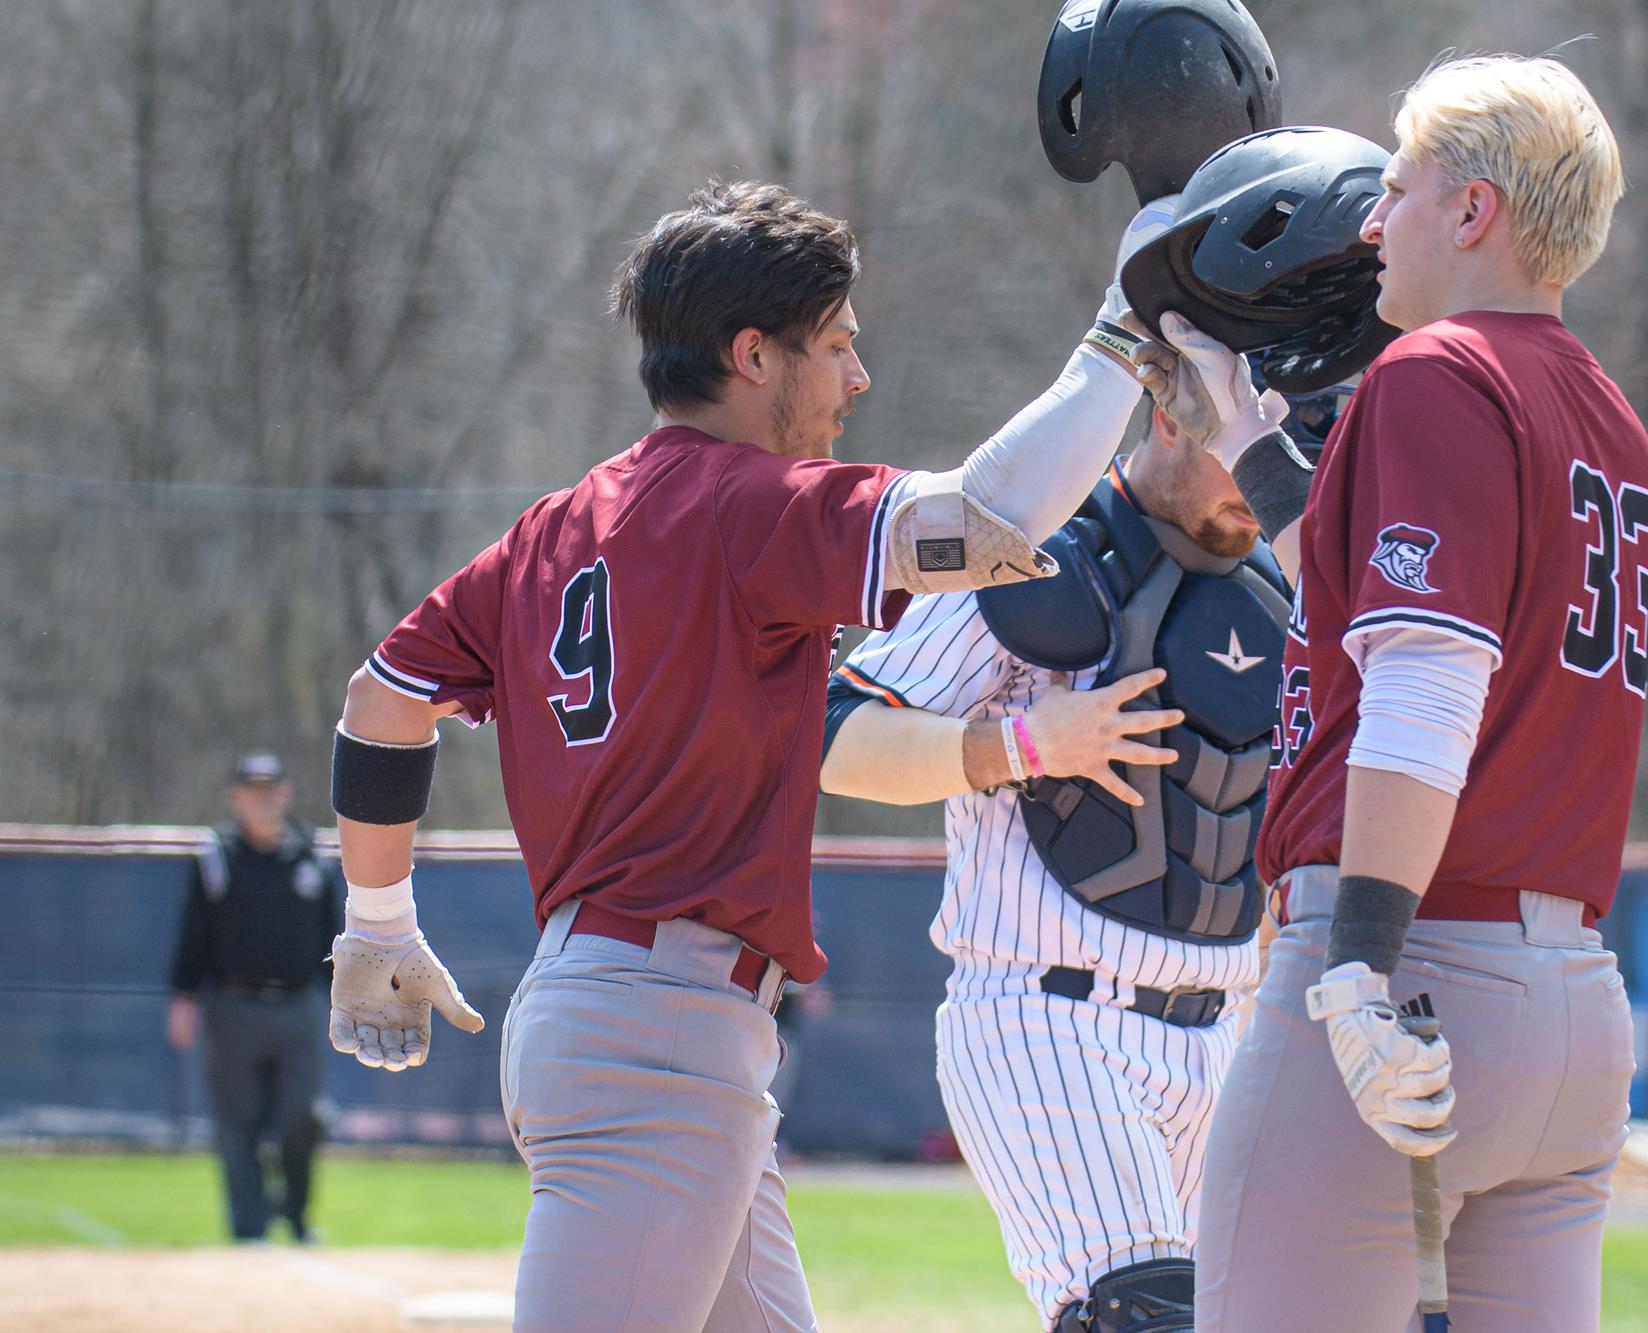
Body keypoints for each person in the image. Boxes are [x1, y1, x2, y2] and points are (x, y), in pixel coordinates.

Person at [321, 179, 1179, 1331]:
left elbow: (383, 699)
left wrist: (379, 921)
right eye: (834, 346)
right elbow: (991, 521)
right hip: (656, 1035)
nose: (856, 379)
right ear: (752, 356)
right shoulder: (749, 505)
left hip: (638, 1020)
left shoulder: (554, 526)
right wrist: (1124, 331)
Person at [1134, 53, 1648, 1330]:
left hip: (1404, 963)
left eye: (1402, 189)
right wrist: (1246, 437)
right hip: (1567, 1006)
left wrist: (1356, 971)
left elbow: (1424, 687)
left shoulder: (1436, 373)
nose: (1371, 221)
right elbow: (1361, 579)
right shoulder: (1605, 414)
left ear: (1472, 213)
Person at [821, 380, 1332, 1329]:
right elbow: (832, 731)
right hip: (1052, 1020)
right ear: (1173, 414)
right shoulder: (1038, 554)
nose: (1270, 480)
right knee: (1138, 1316)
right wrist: (1021, 743)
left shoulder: (1278, 578)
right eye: (1248, 445)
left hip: (1228, 1036)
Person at [167, 753, 338, 1243]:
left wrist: (341, 1004)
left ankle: (297, 1216)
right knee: (236, 1122)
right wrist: (182, 996)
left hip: (299, 1005)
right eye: (252, 787)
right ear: (235, 796)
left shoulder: (311, 855)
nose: (263, 796)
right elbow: (193, 933)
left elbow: (335, 940)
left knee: (301, 1117)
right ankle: (249, 1227)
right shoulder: (217, 856)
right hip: (232, 1004)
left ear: (285, 793)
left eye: (271, 786)